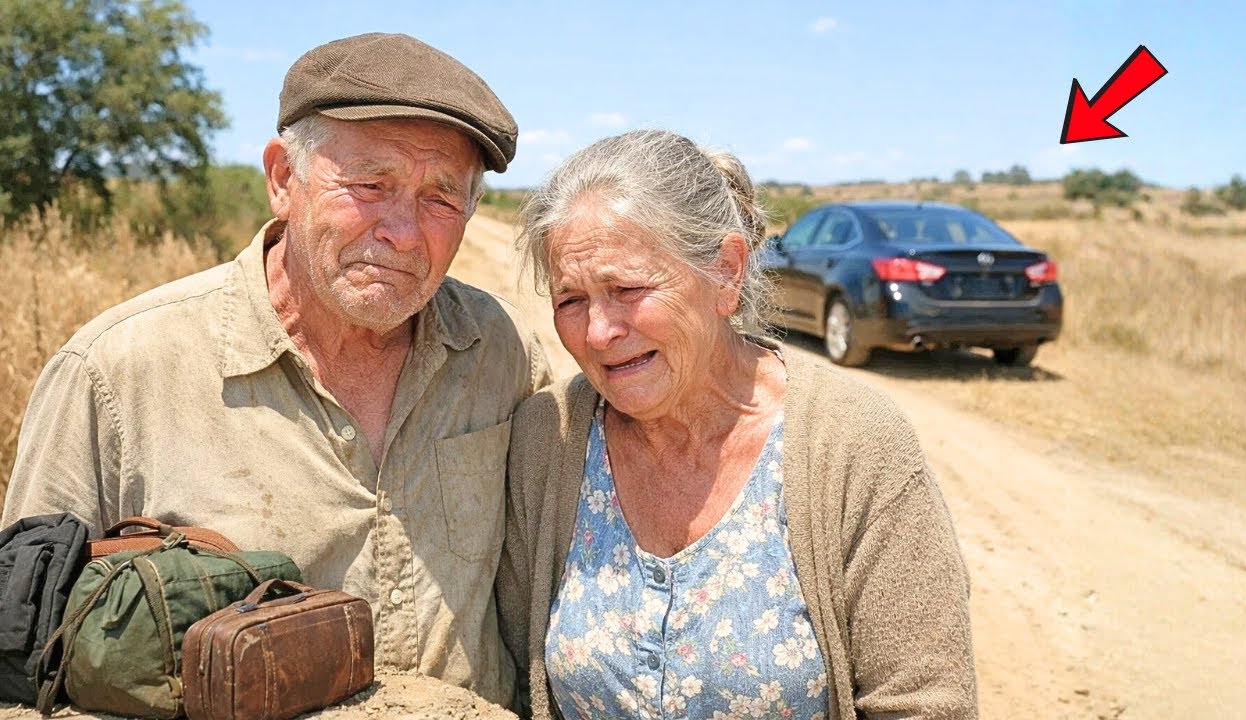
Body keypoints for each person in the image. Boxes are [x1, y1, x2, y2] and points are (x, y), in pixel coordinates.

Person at [2, 33, 550, 707]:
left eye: (441, 197)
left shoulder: (502, 353)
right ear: (283, 180)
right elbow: (25, 656)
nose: (404, 230)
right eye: (370, 184)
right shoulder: (115, 372)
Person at [497, 129, 977, 719]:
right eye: (570, 299)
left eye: (628, 289)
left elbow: (924, 705)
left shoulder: (855, 443)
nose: (598, 332)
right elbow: (518, 682)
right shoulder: (550, 438)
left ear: (726, 273)